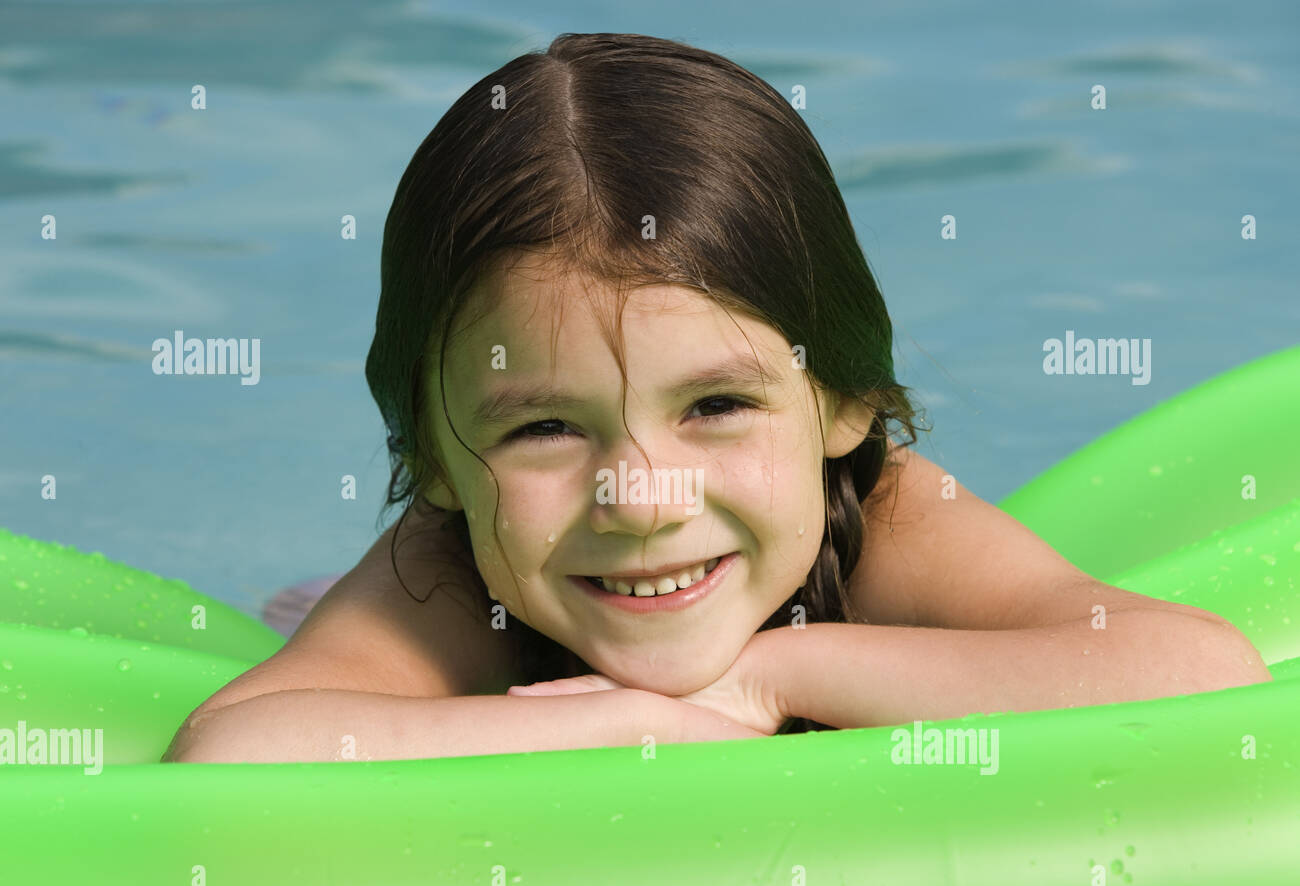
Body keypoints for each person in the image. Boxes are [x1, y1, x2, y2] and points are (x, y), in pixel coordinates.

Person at [164, 33, 1269, 764]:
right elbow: (233, 751)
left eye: (715, 408)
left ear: (840, 402)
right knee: (311, 620)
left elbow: (1196, 671)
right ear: (440, 462)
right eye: (545, 426)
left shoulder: (884, 523)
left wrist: (768, 677)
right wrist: (625, 723)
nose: (640, 497)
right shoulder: (452, 576)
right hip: (445, 636)